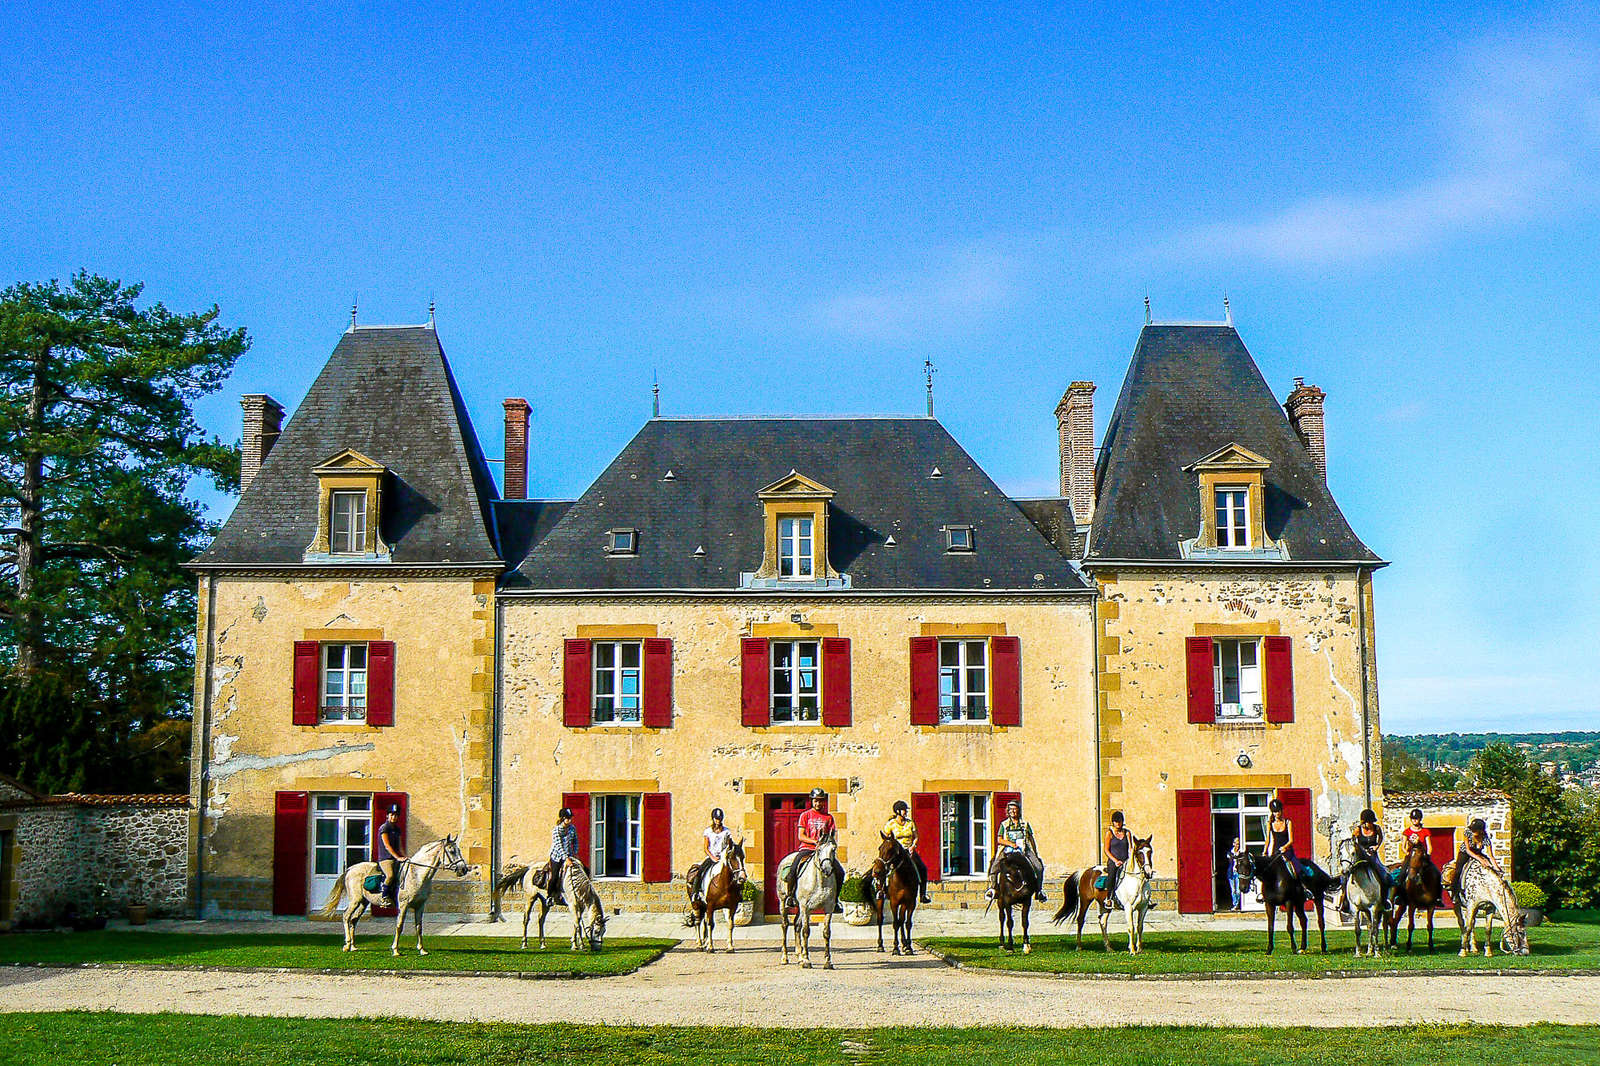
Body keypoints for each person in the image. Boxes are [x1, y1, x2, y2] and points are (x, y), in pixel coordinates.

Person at [783, 788, 845, 911]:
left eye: (821, 801)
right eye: (816, 801)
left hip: (823, 852)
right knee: (794, 868)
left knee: (840, 872)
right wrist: (814, 842)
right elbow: (801, 835)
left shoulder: (829, 818)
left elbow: (832, 835)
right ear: (812, 801)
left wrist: (827, 845)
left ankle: (835, 900)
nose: (818, 804)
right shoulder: (805, 815)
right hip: (807, 849)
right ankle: (790, 896)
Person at [986, 799, 1047, 903]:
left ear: (1019, 810)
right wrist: (1010, 844)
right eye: (1011, 809)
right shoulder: (1004, 824)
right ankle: (993, 889)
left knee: (1039, 867)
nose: (1013, 811)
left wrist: (1035, 854)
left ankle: (1039, 891)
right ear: (1008, 811)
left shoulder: (1025, 824)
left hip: (1023, 849)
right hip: (1008, 849)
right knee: (994, 867)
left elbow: (1031, 839)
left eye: (1015, 809)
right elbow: (999, 839)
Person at [1337, 808, 1388, 914]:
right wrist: (1360, 849)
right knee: (1346, 876)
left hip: (1372, 855)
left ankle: (1384, 900)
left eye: (1371, 822)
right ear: (1363, 822)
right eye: (1368, 822)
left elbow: (1381, 838)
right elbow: (1353, 841)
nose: (1369, 824)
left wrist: (1376, 847)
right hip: (1360, 856)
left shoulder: (1377, 828)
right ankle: (1344, 901)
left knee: (1384, 873)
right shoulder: (1357, 830)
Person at [882, 800, 932, 904]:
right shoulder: (890, 824)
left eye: (905, 810)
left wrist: (913, 846)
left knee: (922, 868)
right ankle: (882, 890)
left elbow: (916, 837)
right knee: (884, 866)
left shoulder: (910, 823)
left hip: (908, 851)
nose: (906, 812)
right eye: (904, 810)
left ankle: (923, 894)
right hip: (896, 852)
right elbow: (886, 839)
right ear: (898, 811)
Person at [1445, 818, 1506, 898]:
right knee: (1458, 871)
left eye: (1475, 831)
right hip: (1465, 853)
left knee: (1488, 867)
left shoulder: (1485, 838)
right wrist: (1480, 859)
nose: (1473, 832)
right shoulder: (1467, 832)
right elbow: (1468, 850)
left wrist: (1496, 868)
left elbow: (1491, 856)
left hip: (1477, 852)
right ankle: (1454, 892)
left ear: (1480, 831)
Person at [689, 808, 735, 904]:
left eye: (719, 819)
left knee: (733, 872)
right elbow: (706, 847)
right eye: (716, 819)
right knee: (700, 871)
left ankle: (737, 894)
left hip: (723, 858)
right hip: (711, 857)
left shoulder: (726, 831)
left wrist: (725, 855)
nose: (718, 821)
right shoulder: (708, 831)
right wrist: (712, 857)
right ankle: (695, 893)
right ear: (713, 819)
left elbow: (728, 845)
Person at [1264, 797, 1308, 885]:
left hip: (1287, 851)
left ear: (1281, 811)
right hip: (1276, 851)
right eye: (1275, 812)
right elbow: (1268, 839)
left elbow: (1291, 840)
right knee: (1267, 871)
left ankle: (1304, 888)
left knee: (1297, 868)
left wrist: (1285, 847)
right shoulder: (1270, 824)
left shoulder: (1288, 822)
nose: (1277, 814)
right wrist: (1265, 851)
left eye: (1278, 811)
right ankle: (1265, 893)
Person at [548, 806, 581, 905]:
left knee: (583, 870)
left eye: (570, 818)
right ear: (563, 818)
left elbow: (575, 841)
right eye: (568, 818)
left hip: (570, 855)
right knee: (554, 876)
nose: (570, 820)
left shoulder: (572, 828)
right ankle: (550, 896)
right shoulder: (556, 830)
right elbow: (559, 846)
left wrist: (575, 853)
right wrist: (566, 858)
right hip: (557, 856)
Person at [377, 805, 405, 906]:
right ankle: (383, 897)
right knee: (390, 875)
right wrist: (397, 857)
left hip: (396, 858)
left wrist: (405, 856)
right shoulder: (384, 828)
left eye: (396, 815)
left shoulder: (397, 829)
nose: (394, 817)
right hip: (386, 858)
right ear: (387, 816)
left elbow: (400, 846)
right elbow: (387, 846)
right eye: (392, 815)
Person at [1101, 810, 1132, 898]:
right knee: (1112, 875)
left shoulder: (1127, 833)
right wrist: (1115, 861)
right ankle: (1109, 897)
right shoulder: (1109, 834)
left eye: (1119, 821)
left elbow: (1130, 847)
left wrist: (1131, 858)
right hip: (1114, 862)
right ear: (1113, 822)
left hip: (1125, 861)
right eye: (1116, 821)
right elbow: (1106, 850)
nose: (1118, 823)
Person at [1226, 837, 1246, 910]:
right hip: (1231, 873)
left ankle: (1237, 904)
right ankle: (1235, 904)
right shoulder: (1230, 852)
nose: (1237, 845)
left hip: (1238, 873)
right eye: (1236, 844)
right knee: (1233, 890)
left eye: (1238, 844)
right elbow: (1230, 859)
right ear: (1233, 844)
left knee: (1238, 890)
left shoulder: (1241, 853)